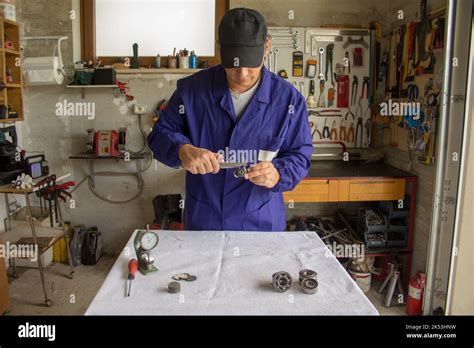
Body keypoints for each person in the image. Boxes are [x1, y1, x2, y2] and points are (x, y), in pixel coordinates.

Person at [148, 8, 313, 231]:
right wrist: (182, 150)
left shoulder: (288, 100)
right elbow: (159, 135)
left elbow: (300, 155)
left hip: (261, 225)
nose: (243, 74)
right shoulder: (191, 92)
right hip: (204, 223)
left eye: (250, 64)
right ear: (220, 50)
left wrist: (278, 173)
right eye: (234, 64)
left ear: (266, 47)